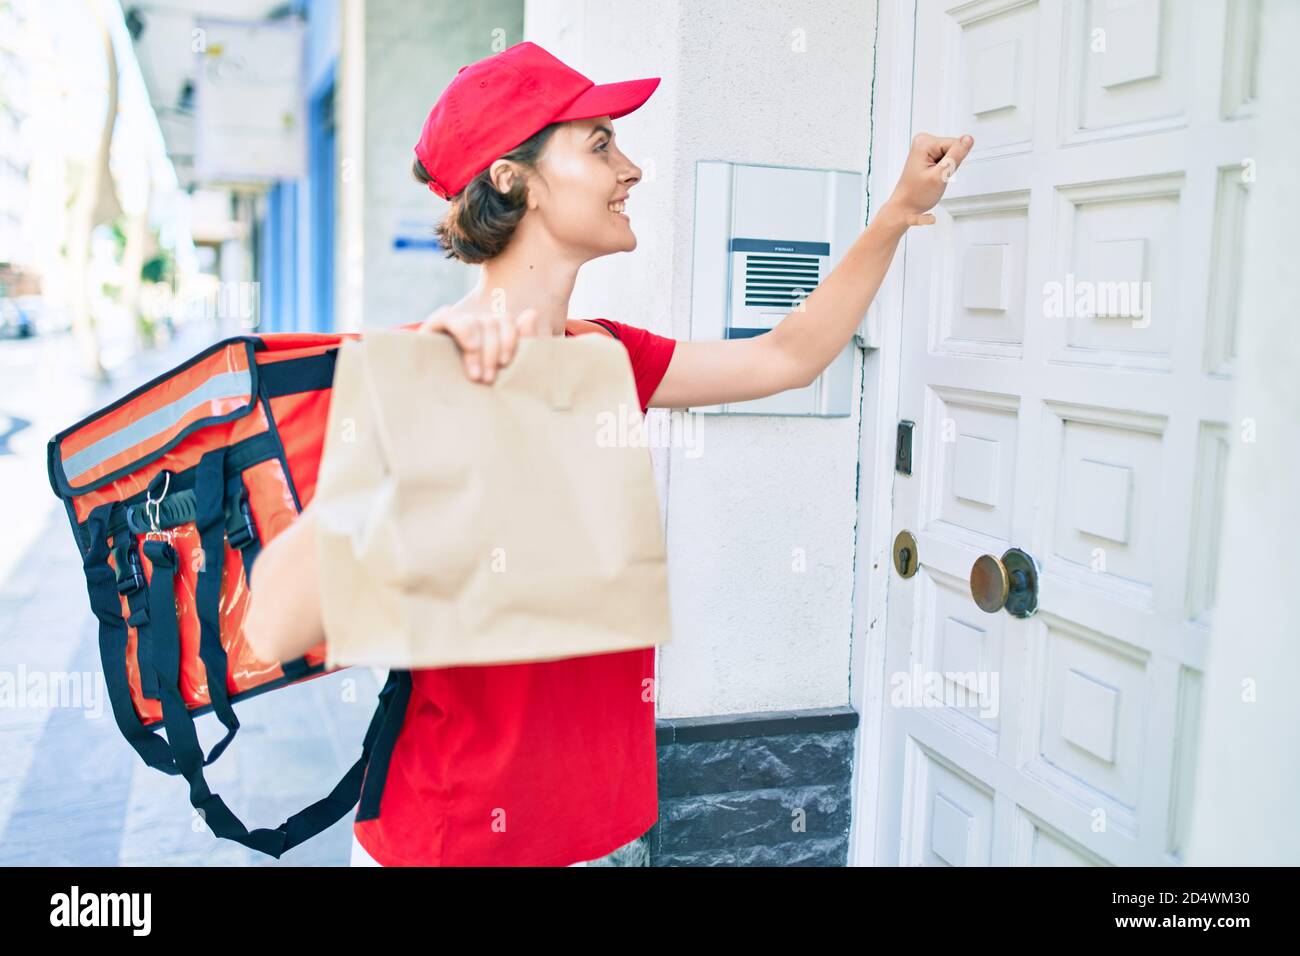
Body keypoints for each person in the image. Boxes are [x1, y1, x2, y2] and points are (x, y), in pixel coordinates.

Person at [243, 40, 972, 867]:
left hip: (599, 834)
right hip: (454, 839)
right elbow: (279, 623)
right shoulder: (424, 365)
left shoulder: (606, 355)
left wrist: (895, 215)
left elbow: (787, 356)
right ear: (513, 178)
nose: (631, 169)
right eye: (598, 145)